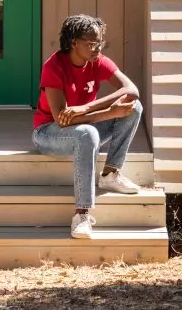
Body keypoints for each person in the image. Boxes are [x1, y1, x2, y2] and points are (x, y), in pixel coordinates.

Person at [32, 14, 143, 238]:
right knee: (87, 133)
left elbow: (131, 90)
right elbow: (63, 119)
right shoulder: (54, 66)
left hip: (81, 126)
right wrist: (110, 112)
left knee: (134, 107)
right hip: (48, 133)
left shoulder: (98, 61)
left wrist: (87, 107)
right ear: (73, 42)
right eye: (91, 43)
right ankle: (81, 214)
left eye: (100, 42)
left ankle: (110, 174)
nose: (97, 48)